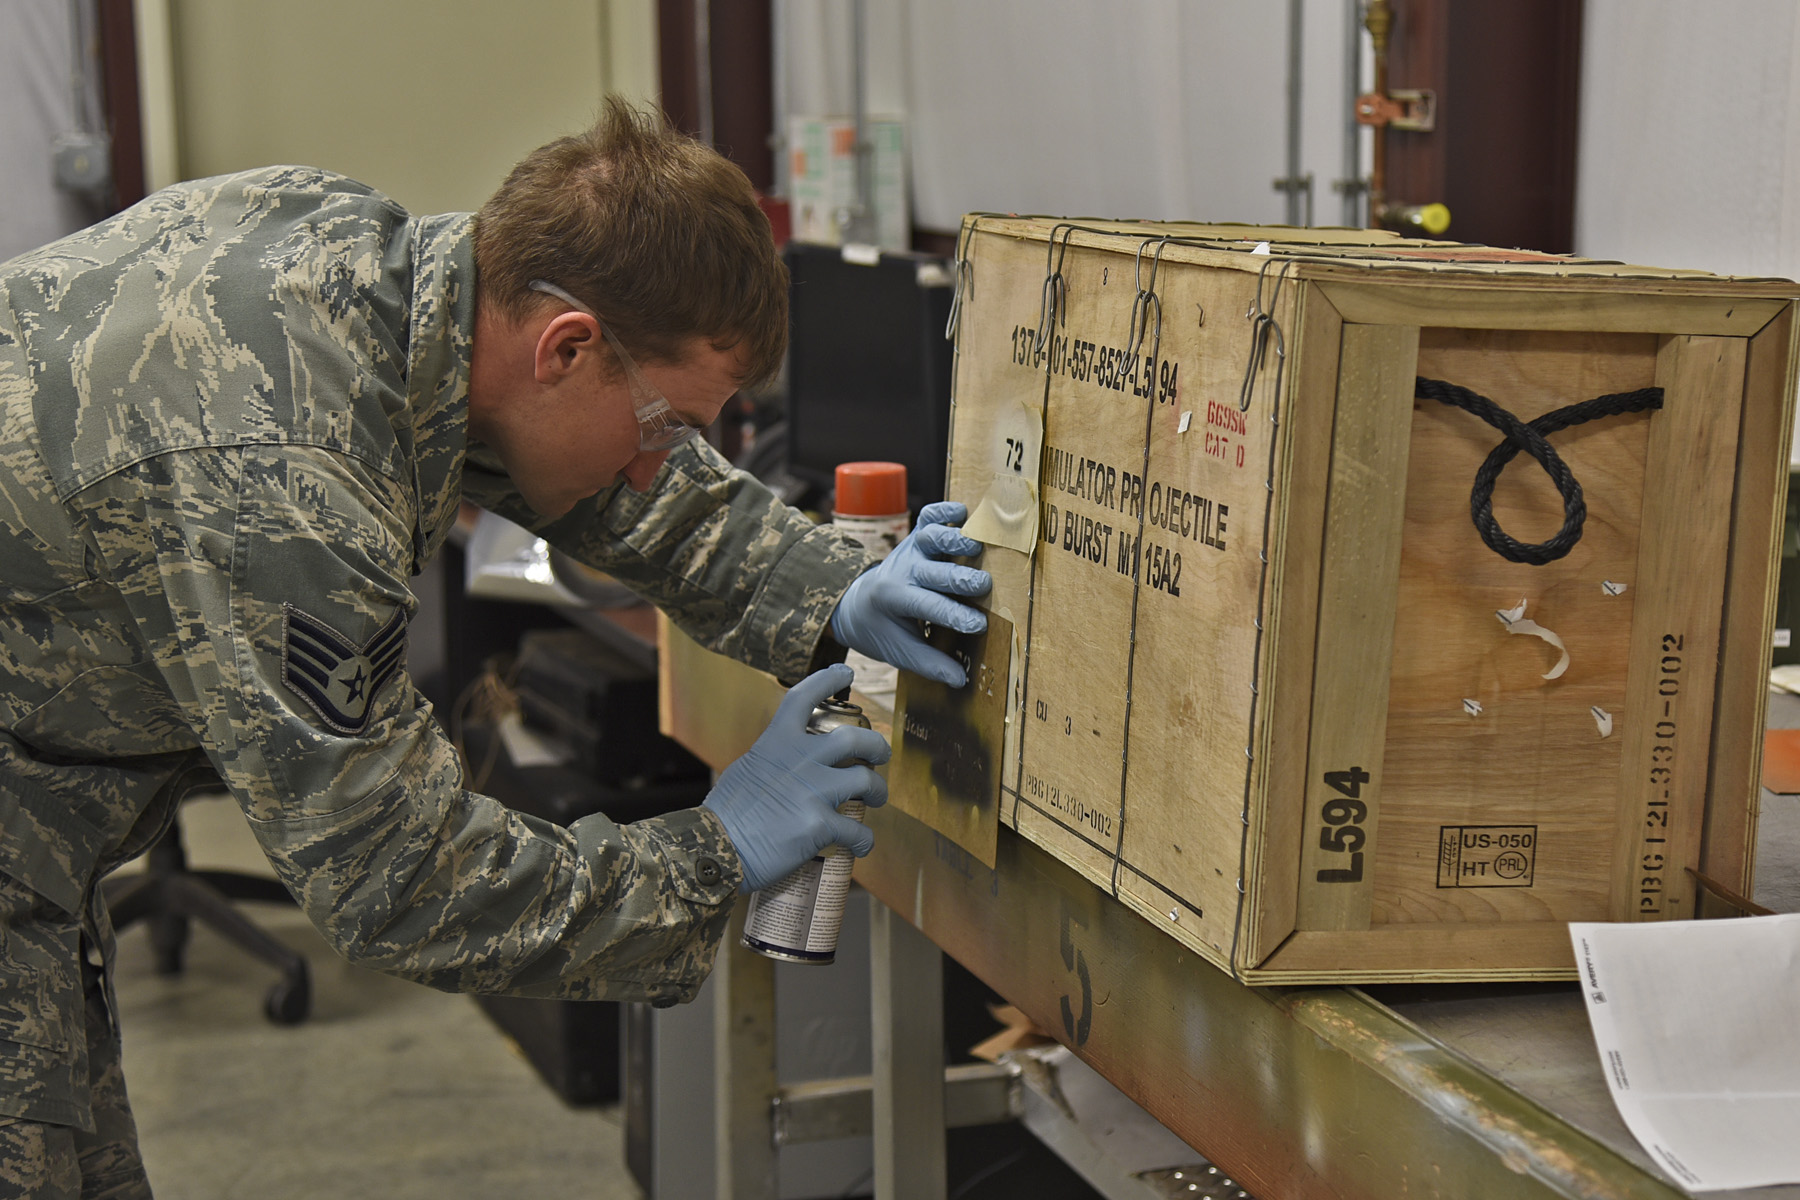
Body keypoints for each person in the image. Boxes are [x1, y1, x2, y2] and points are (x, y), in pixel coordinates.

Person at [0, 96, 991, 1197]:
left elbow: (606, 474)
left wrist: (833, 587)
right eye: (673, 427)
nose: (665, 465)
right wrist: (718, 847)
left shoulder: (375, 273)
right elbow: (398, 875)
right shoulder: (283, 478)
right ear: (566, 345)